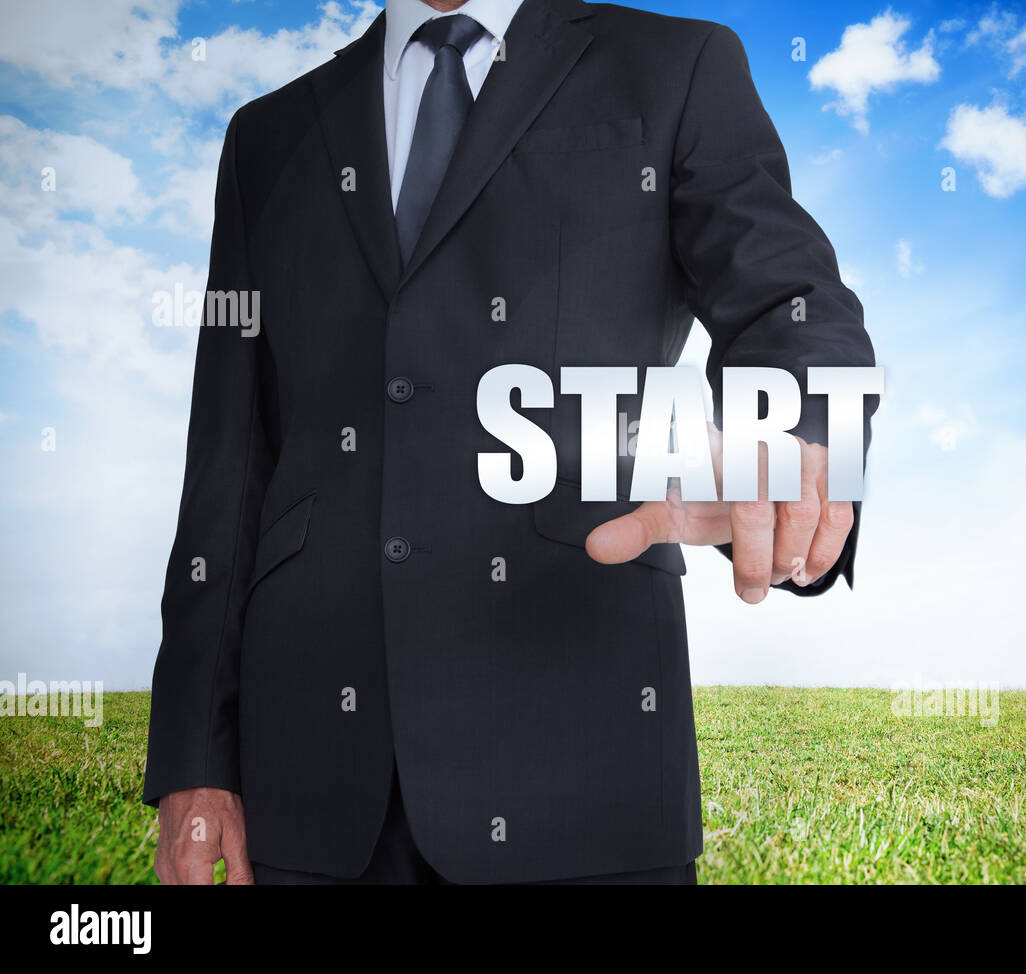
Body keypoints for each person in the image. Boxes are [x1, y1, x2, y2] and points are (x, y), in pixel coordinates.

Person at [146, 0, 877, 885]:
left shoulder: (678, 64)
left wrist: (792, 431)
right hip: (309, 786)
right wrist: (196, 752)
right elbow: (226, 458)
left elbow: (788, 300)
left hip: (582, 761)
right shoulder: (265, 137)